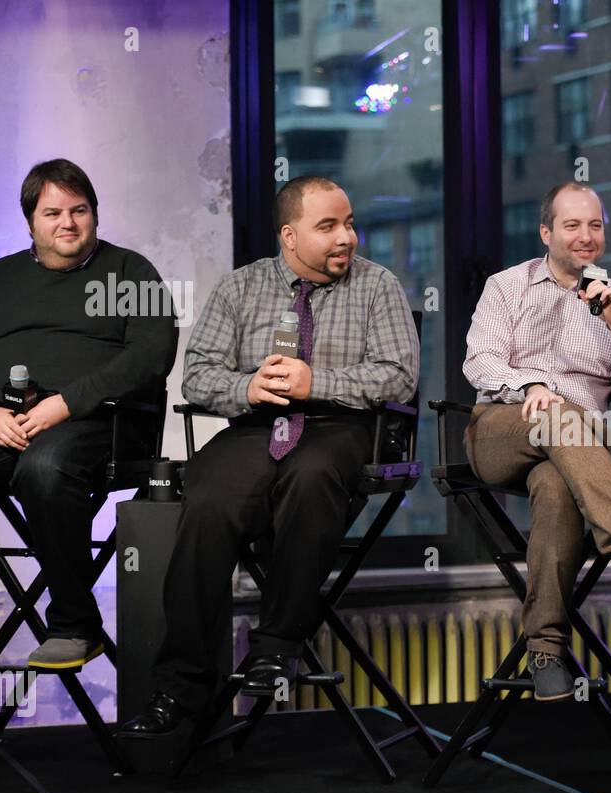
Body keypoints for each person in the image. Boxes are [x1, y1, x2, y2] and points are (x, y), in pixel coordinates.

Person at [120, 175, 419, 736]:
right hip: (258, 423)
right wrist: (249, 389)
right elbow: (199, 375)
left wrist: (316, 381)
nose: (346, 238)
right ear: (289, 234)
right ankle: (180, 685)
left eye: (349, 223)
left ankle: (276, 645)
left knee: (311, 475)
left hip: (342, 425)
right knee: (206, 497)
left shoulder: (378, 286)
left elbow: (399, 377)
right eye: (328, 226)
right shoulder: (239, 289)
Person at [0, 158, 177, 671]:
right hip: (7, 422)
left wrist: (66, 403)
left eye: (79, 210)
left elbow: (151, 355)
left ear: (94, 214)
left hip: (102, 424)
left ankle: (74, 624)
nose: (68, 222)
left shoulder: (131, 271)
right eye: (53, 212)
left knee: (44, 468)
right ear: (30, 222)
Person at [461, 181, 611, 702]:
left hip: (576, 447)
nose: (586, 236)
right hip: (501, 428)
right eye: (573, 225)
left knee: (557, 488)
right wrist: (531, 385)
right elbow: (478, 361)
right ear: (546, 232)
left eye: (595, 225)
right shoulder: (507, 286)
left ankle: (546, 651)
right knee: (559, 415)